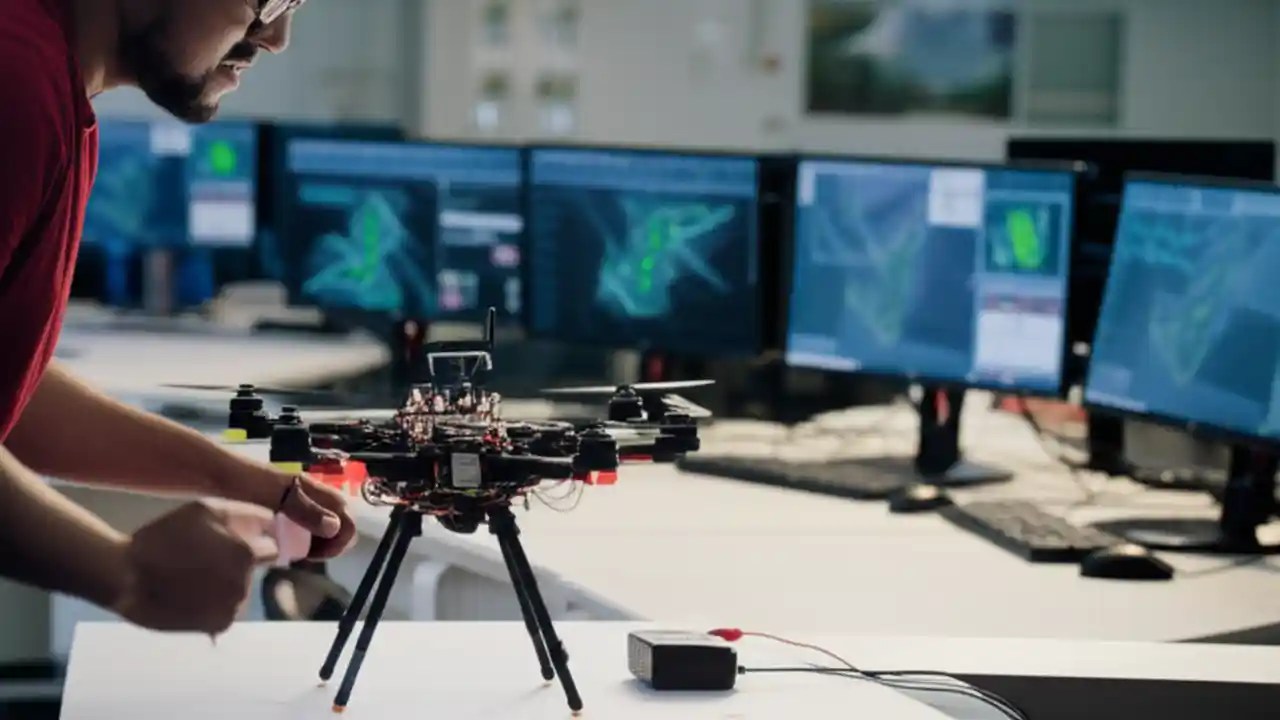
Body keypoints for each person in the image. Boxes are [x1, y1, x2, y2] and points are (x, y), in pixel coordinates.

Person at [0, 0, 356, 637]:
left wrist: (242, 481)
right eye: (265, 1)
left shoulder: (52, 85)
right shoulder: (16, 80)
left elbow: (13, 392)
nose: (274, 36)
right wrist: (126, 576)